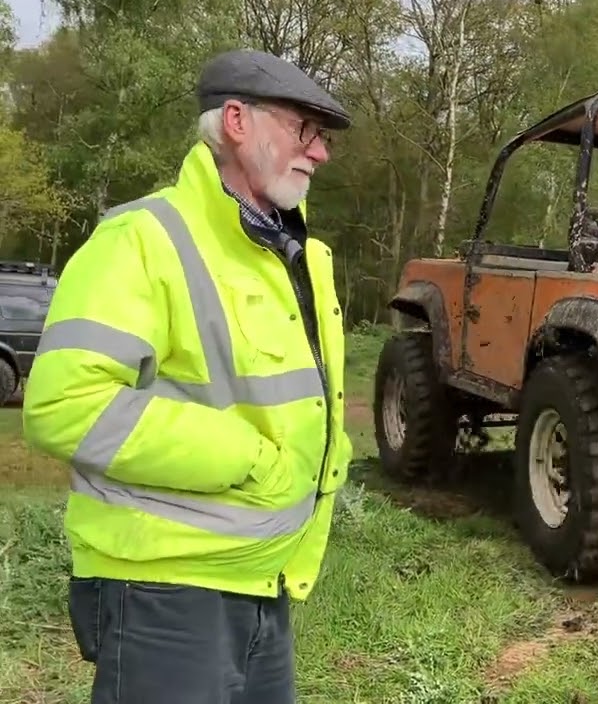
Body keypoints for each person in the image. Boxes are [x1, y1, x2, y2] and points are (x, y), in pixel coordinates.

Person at [21, 48, 355, 704]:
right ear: (236, 121)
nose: (320, 153)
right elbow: (64, 404)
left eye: (323, 138)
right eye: (304, 130)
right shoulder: (142, 238)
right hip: (164, 590)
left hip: (264, 581)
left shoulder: (297, 255)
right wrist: (249, 459)